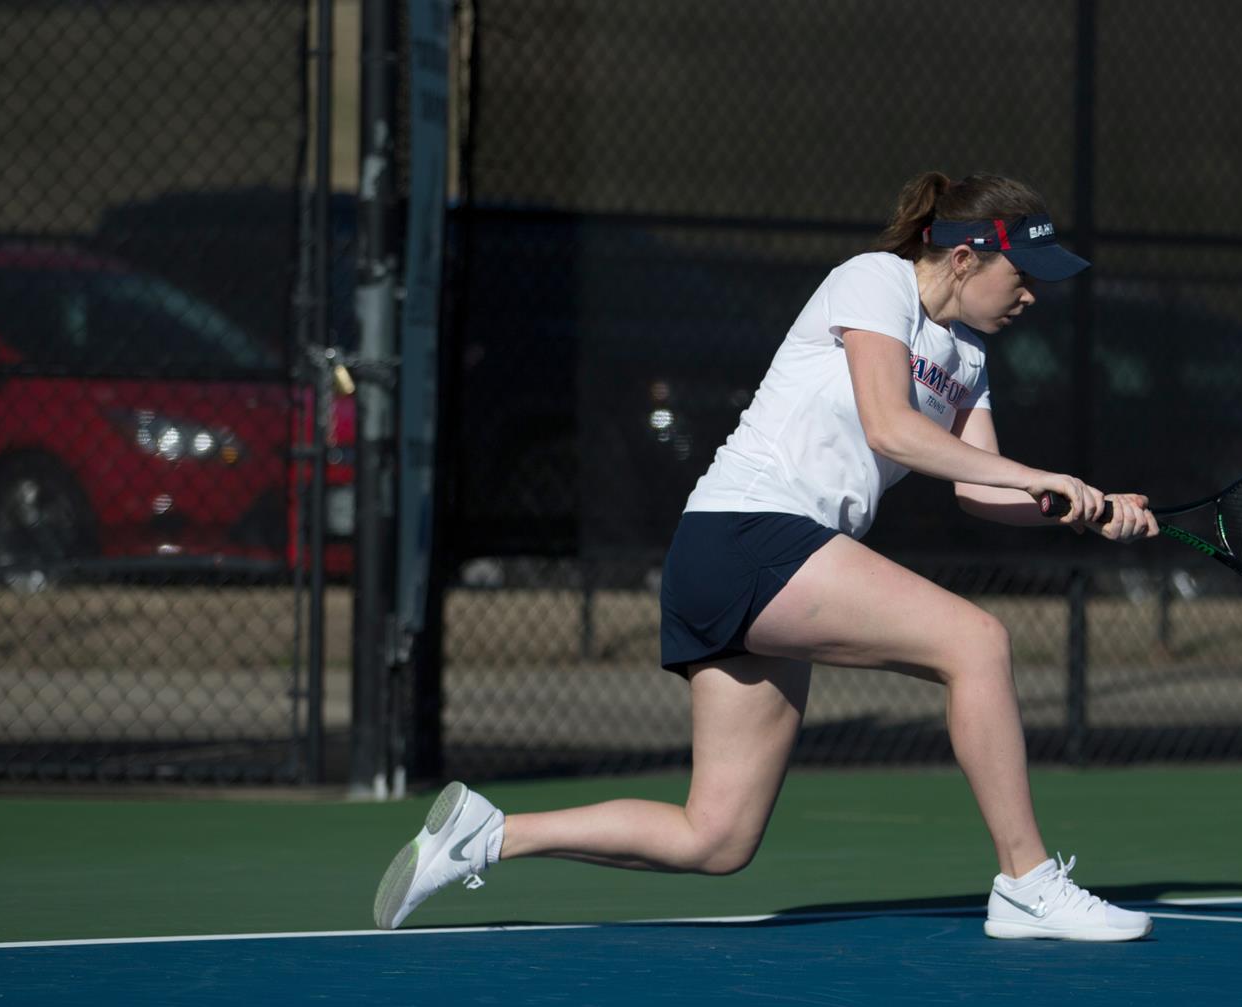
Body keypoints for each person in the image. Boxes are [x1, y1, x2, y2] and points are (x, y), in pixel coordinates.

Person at [373, 172, 1161, 942]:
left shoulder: (970, 360)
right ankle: (1026, 883)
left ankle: (486, 835)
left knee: (716, 839)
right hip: (746, 535)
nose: (1033, 297)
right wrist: (1038, 476)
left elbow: (977, 490)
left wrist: (1082, 510)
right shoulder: (874, 281)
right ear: (964, 259)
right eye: (1023, 277)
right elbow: (891, 427)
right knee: (976, 642)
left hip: (772, 561)